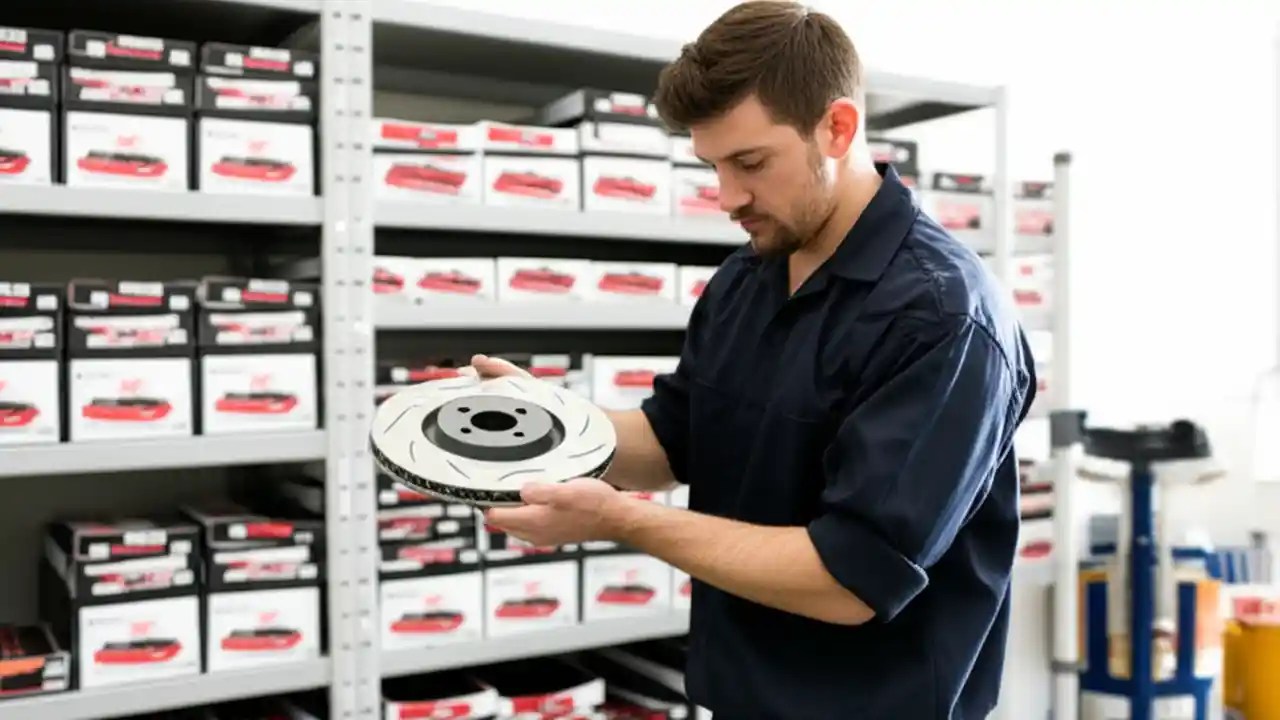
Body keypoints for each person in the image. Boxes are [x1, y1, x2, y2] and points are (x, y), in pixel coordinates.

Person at [477, 1, 1037, 717]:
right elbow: (673, 439)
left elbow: (850, 580)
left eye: (750, 163)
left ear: (837, 128)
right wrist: (549, 421)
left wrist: (624, 521)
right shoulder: (750, 276)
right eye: (713, 166)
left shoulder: (943, 318)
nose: (727, 197)